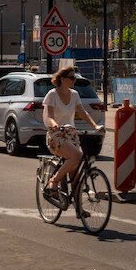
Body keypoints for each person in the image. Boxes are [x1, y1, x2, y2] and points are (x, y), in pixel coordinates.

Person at [42, 67, 103, 198]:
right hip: (55, 135)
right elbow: (49, 116)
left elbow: (83, 112)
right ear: (62, 79)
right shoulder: (52, 94)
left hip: (71, 134)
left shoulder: (74, 94)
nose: (74, 80)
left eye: (74, 77)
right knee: (77, 155)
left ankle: (79, 209)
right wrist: (54, 124)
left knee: (75, 174)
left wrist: (95, 125)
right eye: (71, 77)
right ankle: (54, 180)